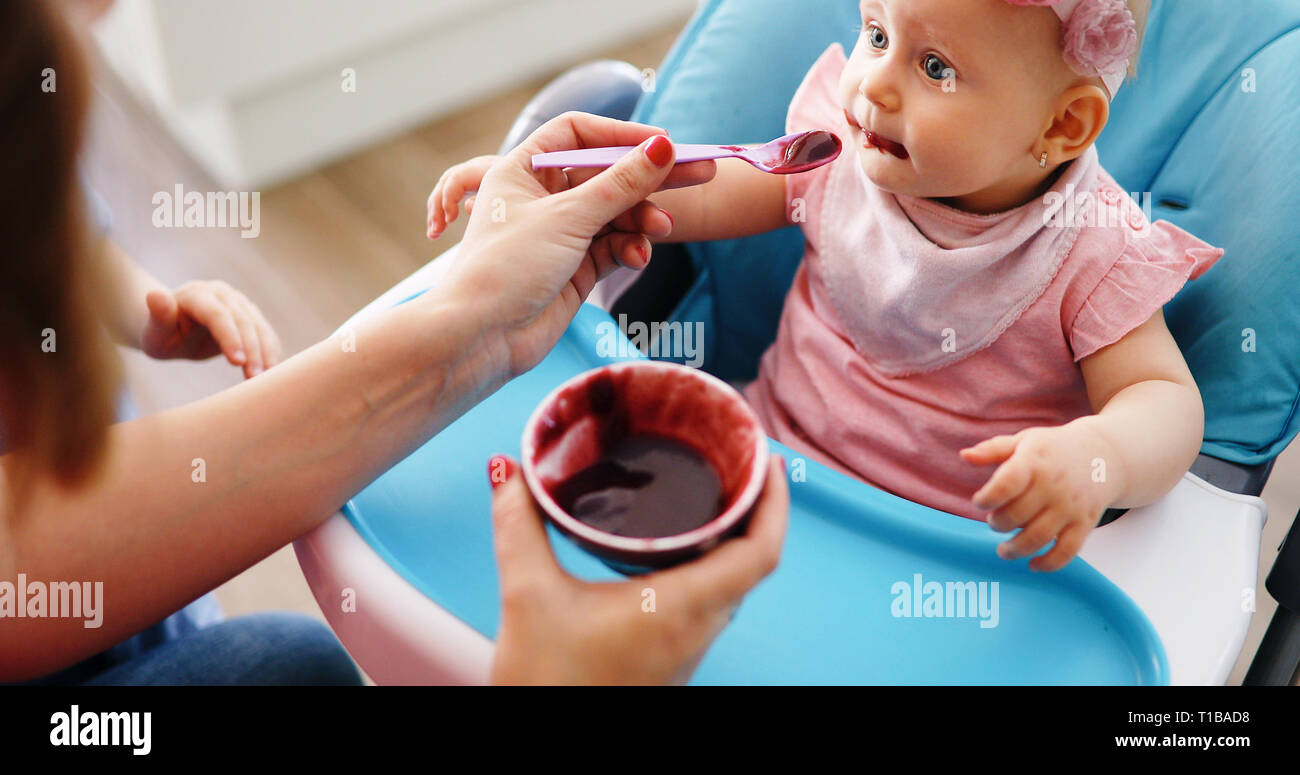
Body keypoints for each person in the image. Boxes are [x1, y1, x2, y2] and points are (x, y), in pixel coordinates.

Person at [0, 0, 787, 685]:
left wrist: (465, 320)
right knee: (292, 663)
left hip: (119, 592)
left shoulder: (34, 141)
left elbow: (74, 232)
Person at [427, 0, 1217, 574]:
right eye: (876, 33)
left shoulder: (1091, 251)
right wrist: (560, 194)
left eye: (934, 67)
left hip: (945, 560)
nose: (873, 85)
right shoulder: (838, 151)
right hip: (762, 469)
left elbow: (1167, 403)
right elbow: (702, 188)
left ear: (1063, 128)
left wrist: (1099, 455)